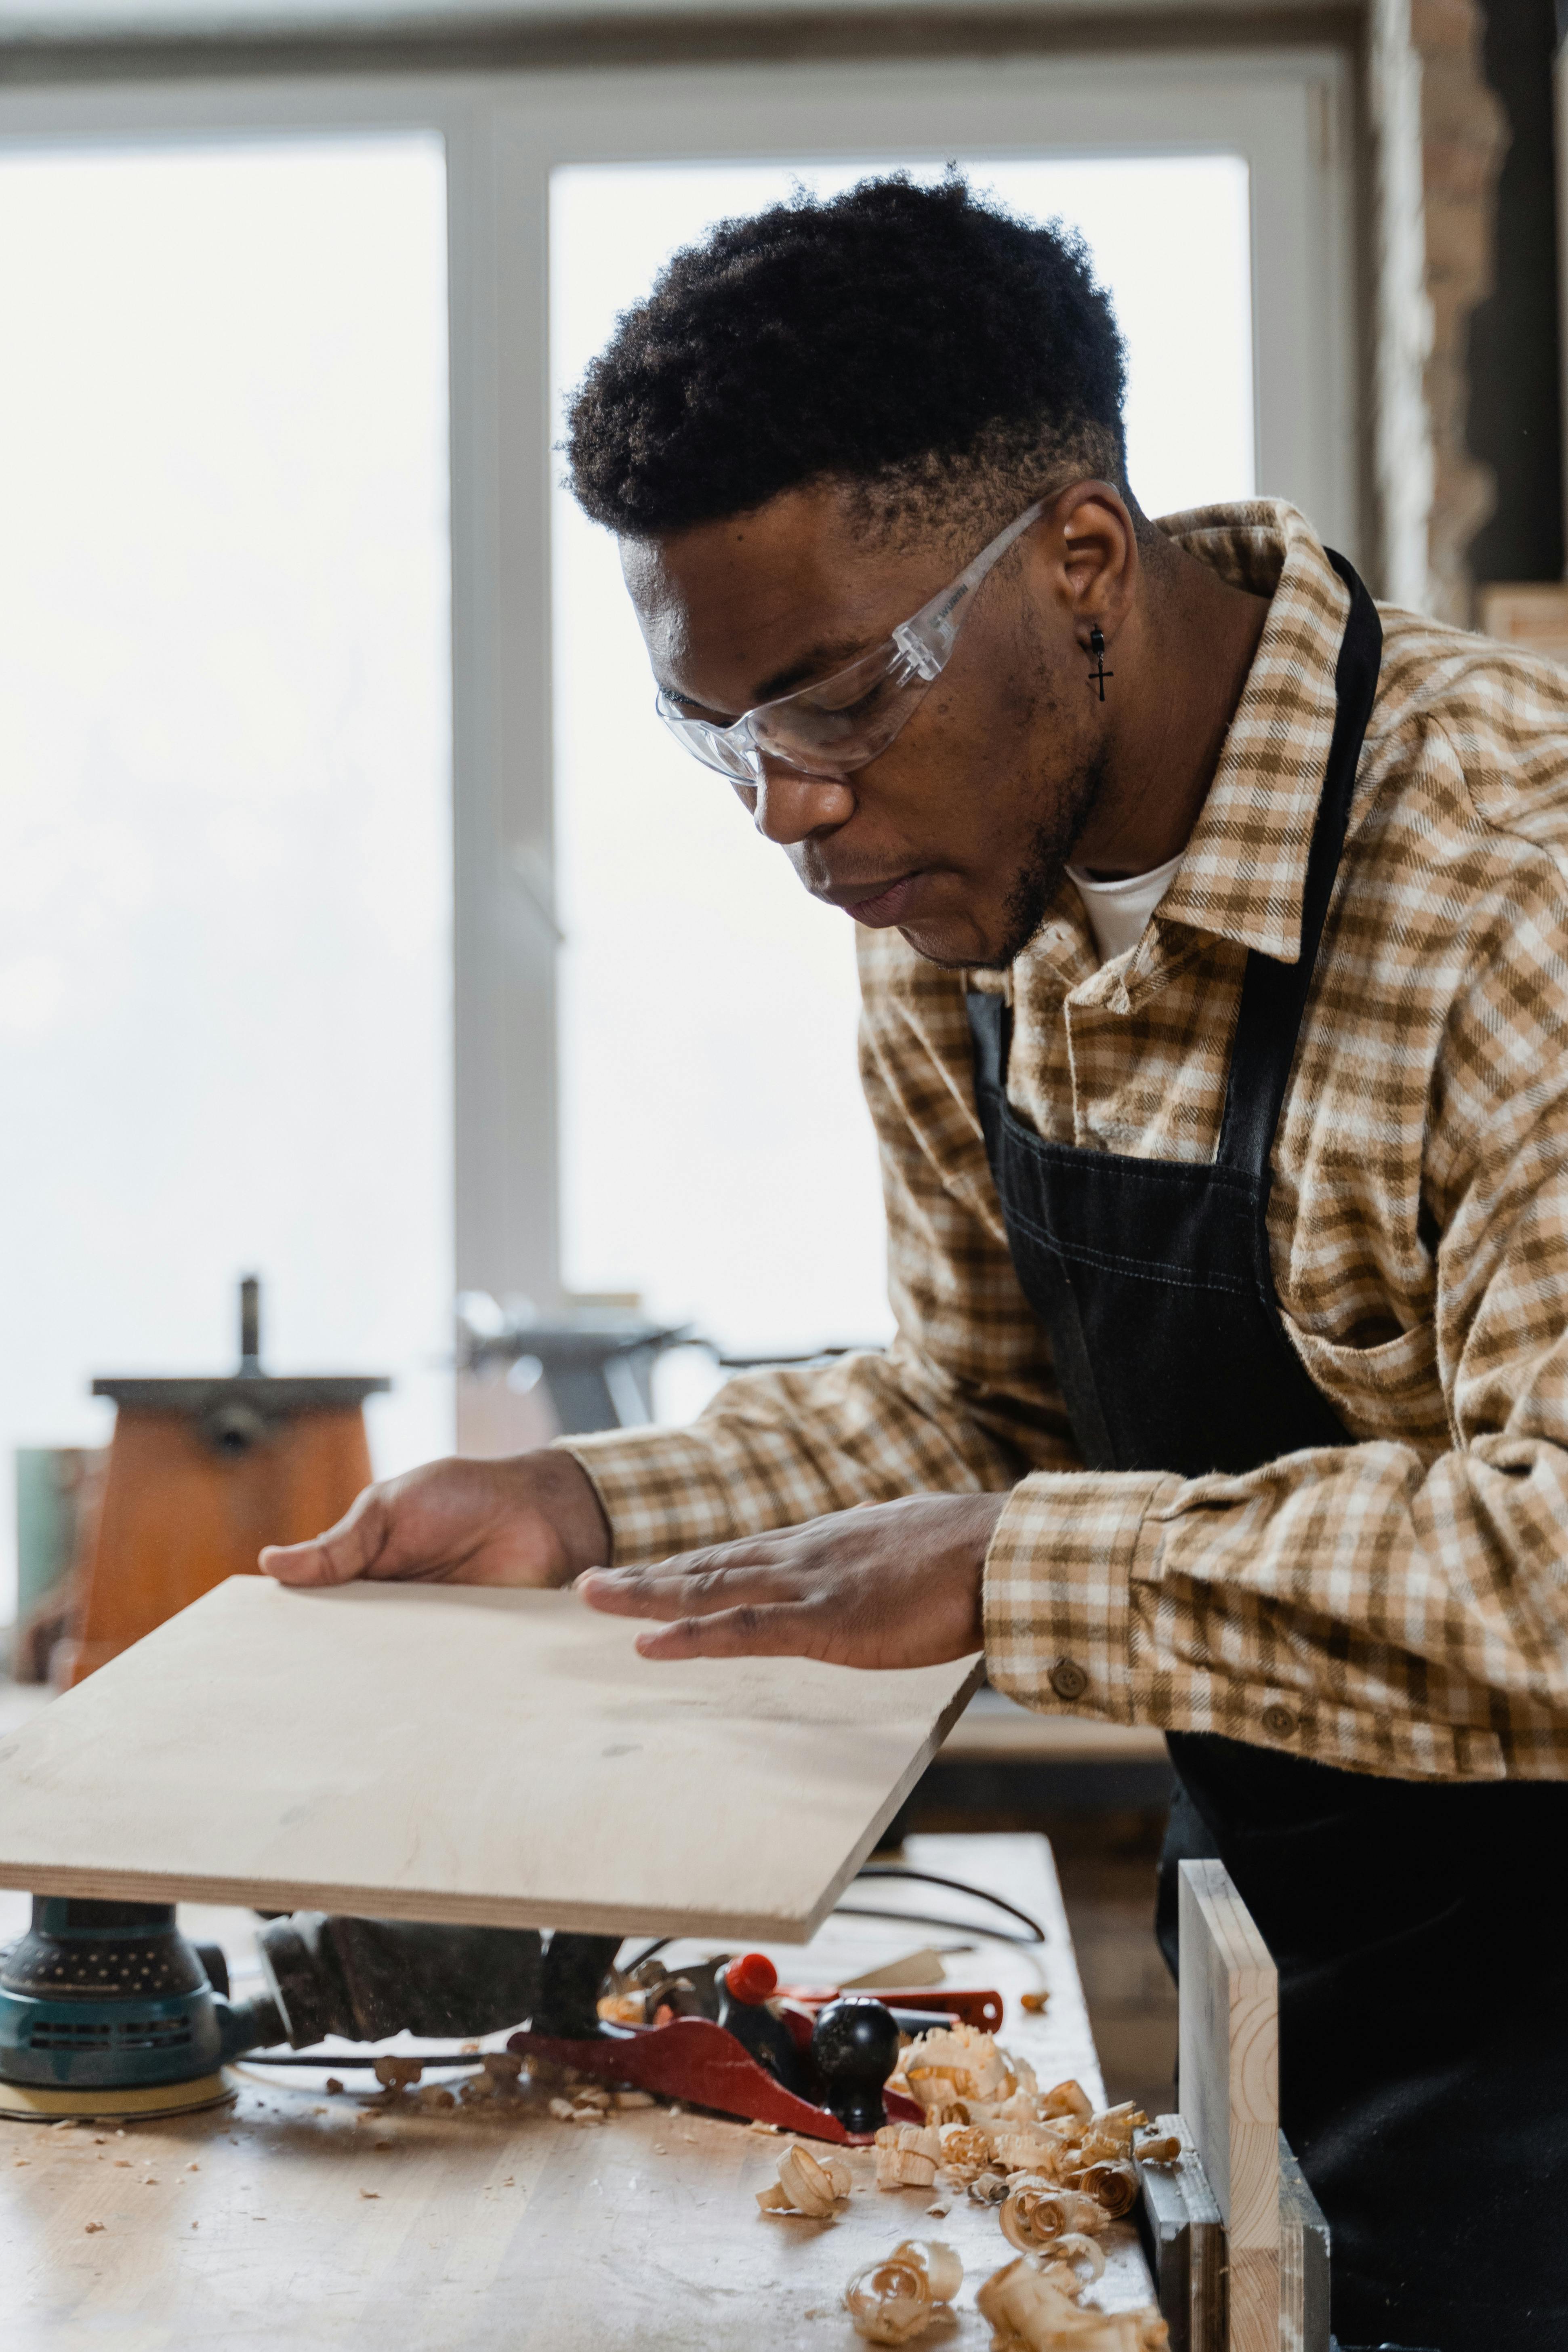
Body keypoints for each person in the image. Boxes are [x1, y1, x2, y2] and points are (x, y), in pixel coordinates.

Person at [262, 177, 1568, 2349]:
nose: (790, 811)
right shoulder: (963, 887)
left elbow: (1551, 1563)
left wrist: (1012, 1570)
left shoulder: (1509, 885)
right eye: (728, 737)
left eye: (836, 702)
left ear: (1078, 563)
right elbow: (992, 1409)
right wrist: (587, 1507)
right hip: (1322, 1973)